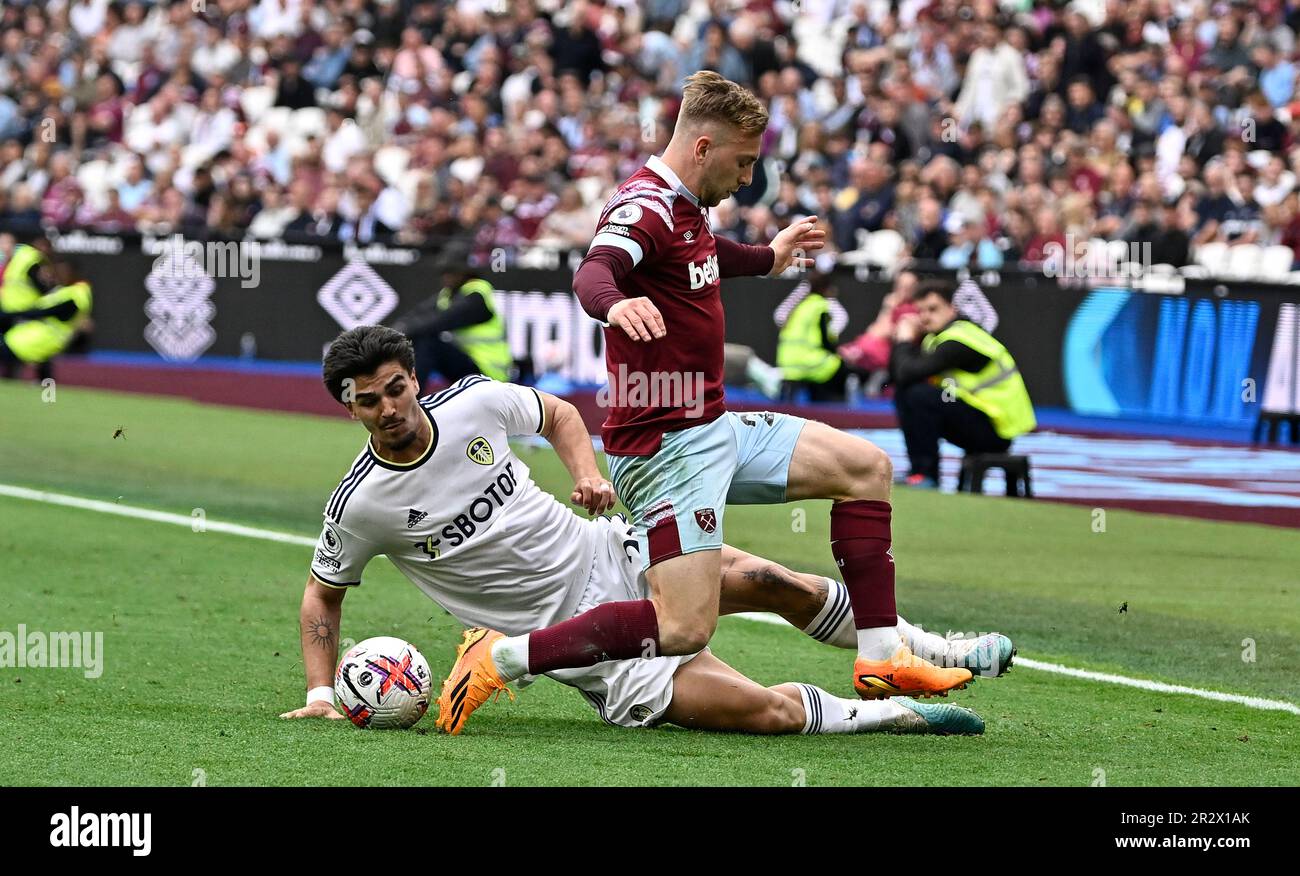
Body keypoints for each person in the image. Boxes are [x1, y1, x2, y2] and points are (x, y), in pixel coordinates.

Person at [439, 71, 975, 736]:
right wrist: (616, 304)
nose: (748, 178)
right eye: (743, 161)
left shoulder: (685, 209)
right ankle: (504, 654)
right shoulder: (643, 206)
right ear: (701, 146)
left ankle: (881, 657)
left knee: (865, 468)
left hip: (710, 425)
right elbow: (592, 273)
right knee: (681, 625)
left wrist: (767, 257)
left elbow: (700, 256)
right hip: (663, 447)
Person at [279, 326, 1010, 735]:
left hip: (611, 553)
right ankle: (894, 716)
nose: (388, 408)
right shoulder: (362, 503)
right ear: (351, 409)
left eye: (396, 388)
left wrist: (585, 474)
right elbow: (322, 597)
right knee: (764, 713)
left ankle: (930, 646)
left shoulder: (473, 403)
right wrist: (319, 692)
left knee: (769, 580)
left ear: (414, 377)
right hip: (585, 647)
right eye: (369, 401)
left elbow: (559, 414)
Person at [889, 280, 1036, 489]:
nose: (925, 316)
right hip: (983, 420)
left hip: (998, 429)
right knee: (907, 393)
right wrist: (903, 341)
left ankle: (926, 474)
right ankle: (920, 472)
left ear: (952, 309)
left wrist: (904, 339)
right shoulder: (937, 337)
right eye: (921, 311)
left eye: (933, 309)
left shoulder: (960, 339)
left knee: (917, 395)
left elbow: (906, 373)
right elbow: (898, 376)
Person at [391, 251, 512, 384]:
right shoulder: (448, 294)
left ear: (465, 272)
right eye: (444, 273)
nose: (446, 277)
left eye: (451, 272)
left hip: (489, 372)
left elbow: (439, 321)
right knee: (417, 338)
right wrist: (397, 329)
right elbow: (418, 314)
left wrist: (400, 332)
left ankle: (412, 396)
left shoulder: (477, 296)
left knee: (428, 343)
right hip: (468, 364)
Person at [0, 256, 93, 382]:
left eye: (62, 272)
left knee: (6, 350)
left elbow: (44, 311)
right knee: (39, 363)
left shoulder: (74, 295)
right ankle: (43, 386)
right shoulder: (66, 290)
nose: (58, 275)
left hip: (42, 337)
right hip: (37, 334)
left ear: (72, 273)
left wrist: (11, 315)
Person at [775, 268, 849, 401]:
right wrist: (837, 352)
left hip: (786, 364)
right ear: (826, 288)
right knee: (838, 364)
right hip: (808, 364)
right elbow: (827, 339)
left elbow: (779, 317)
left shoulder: (799, 305)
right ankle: (835, 407)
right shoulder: (821, 306)